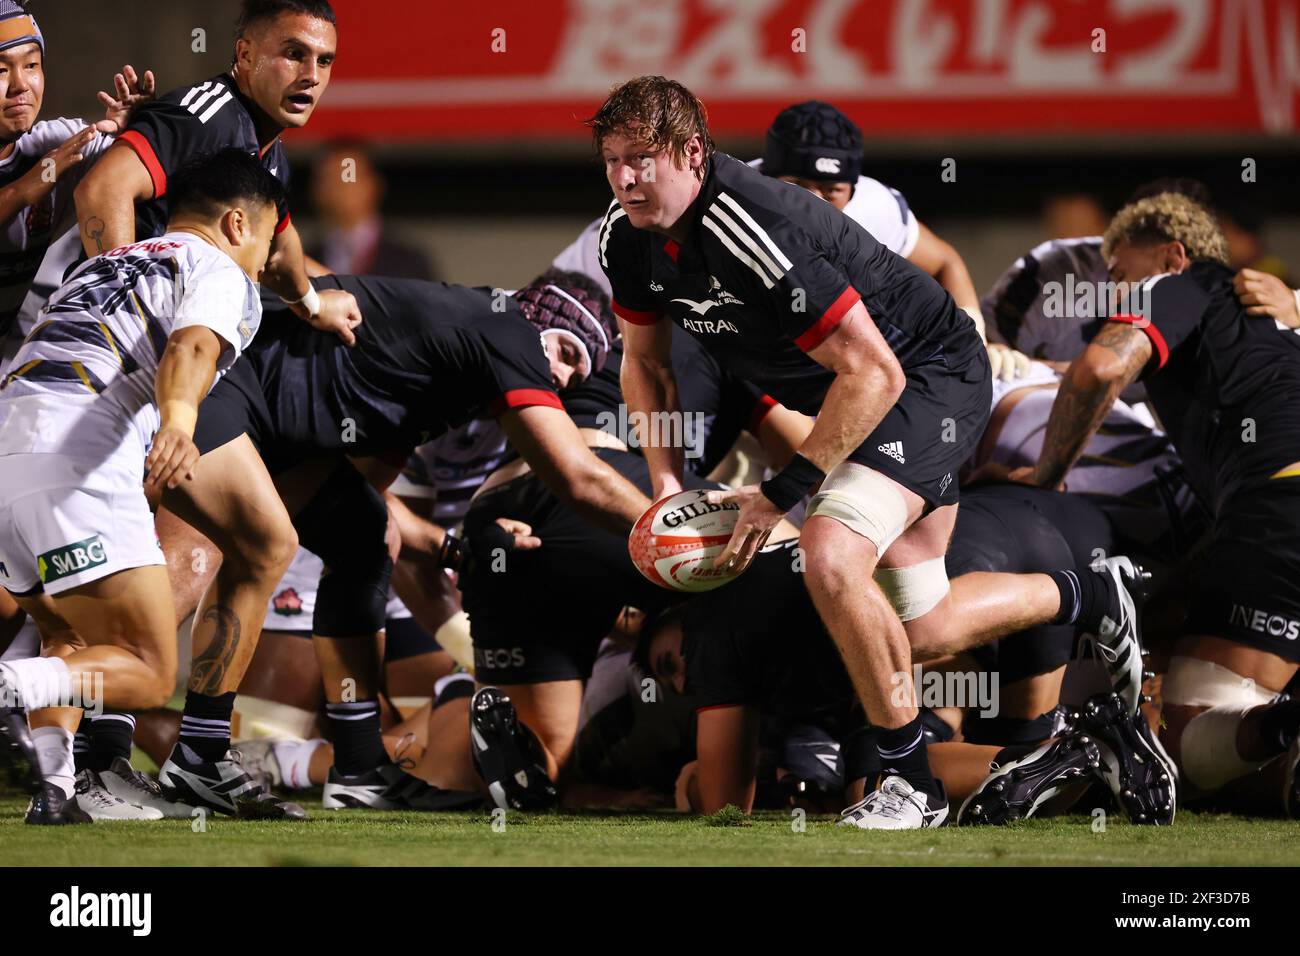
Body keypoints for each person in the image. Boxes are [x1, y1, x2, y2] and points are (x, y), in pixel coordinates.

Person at [592, 74, 1144, 829]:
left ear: (692, 153)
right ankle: (1094, 596)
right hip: (863, 391)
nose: (626, 177)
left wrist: (784, 491)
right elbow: (648, 366)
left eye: (643, 160)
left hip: (926, 377)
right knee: (910, 629)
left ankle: (911, 785)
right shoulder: (625, 239)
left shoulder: (752, 227)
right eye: (614, 160)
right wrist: (665, 482)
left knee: (830, 549)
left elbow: (874, 370)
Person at [155, 271, 655, 812]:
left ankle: (358, 766)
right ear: (536, 318)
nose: (559, 374)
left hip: (276, 422)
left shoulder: (455, 376)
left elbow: (373, 497)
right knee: (190, 580)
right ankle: (98, 744)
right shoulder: (502, 329)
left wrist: (461, 549)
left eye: (574, 372)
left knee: (363, 540)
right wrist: (670, 530)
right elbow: (578, 478)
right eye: (563, 351)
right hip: (227, 383)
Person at [69, 0, 366, 792]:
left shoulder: (265, 153)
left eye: (325, 62)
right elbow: (103, 190)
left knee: (229, 551)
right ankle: (102, 757)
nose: (310, 75)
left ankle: (167, 756)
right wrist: (128, 325)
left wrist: (310, 301)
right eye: (291, 53)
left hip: (177, 371)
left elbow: (280, 237)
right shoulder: (206, 111)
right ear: (242, 54)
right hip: (128, 369)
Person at [0, 148, 299, 824]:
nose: (264, 264)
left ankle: (54, 791)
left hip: (8, 444)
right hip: (75, 455)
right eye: (266, 241)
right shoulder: (218, 268)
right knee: (146, 671)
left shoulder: (102, 262)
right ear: (235, 224)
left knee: (67, 638)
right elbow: (191, 347)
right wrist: (180, 420)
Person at [1020, 192, 1300, 818]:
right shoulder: (1268, 319)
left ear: (1173, 256)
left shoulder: (1181, 286)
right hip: (1277, 498)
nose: (1113, 290)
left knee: (1182, 750)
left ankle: (1286, 728)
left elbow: (1097, 370)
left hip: (1279, 501)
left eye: (1120, 273)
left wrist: (1047, 473)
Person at [308, 141, 435, 279]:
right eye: (327, 178)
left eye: (347, 175)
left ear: (373, 184)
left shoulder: (407, 262)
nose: (337, 187)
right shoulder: (305, 260)